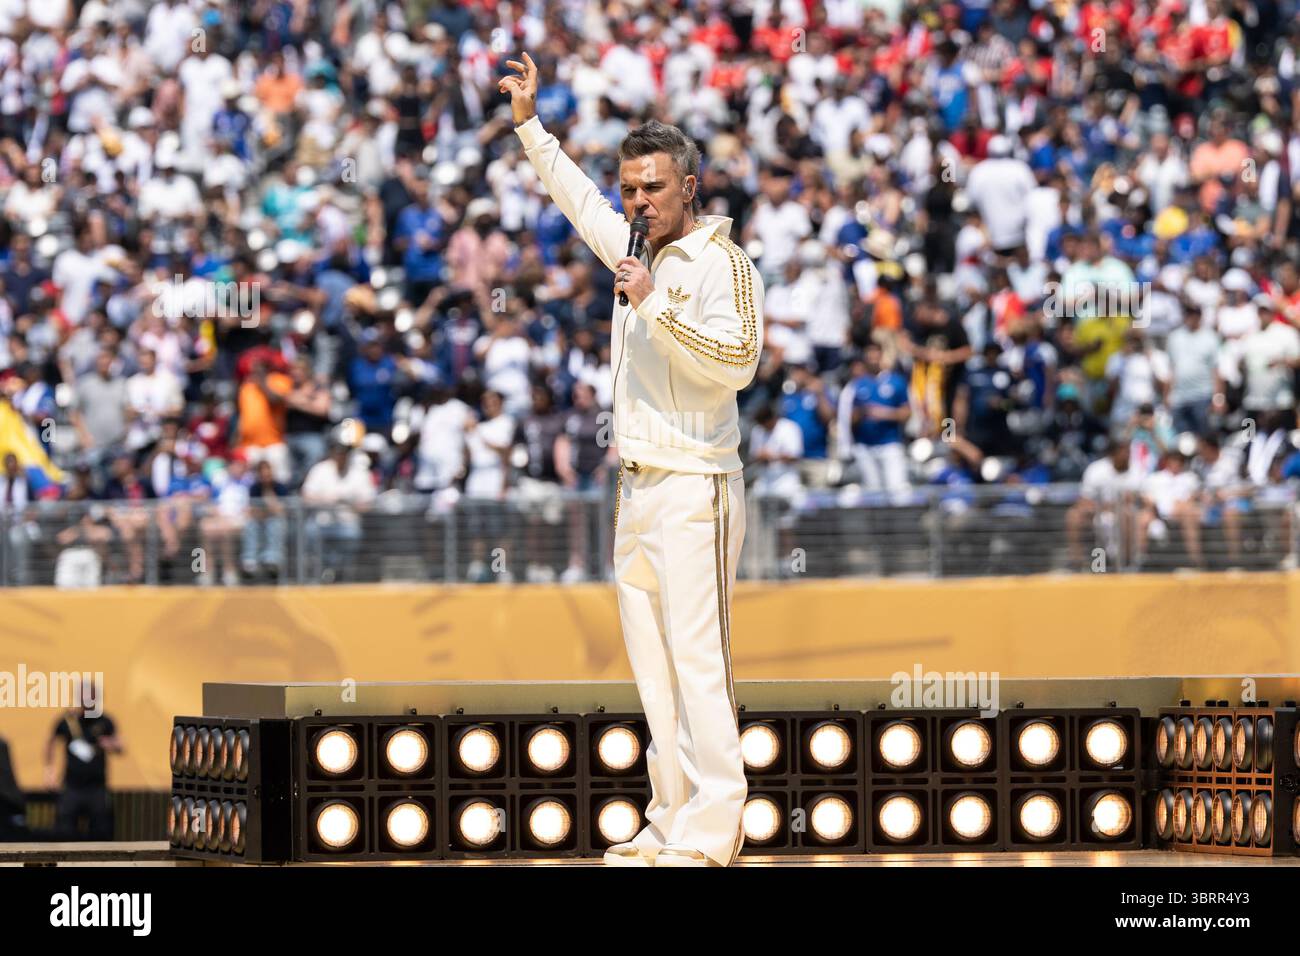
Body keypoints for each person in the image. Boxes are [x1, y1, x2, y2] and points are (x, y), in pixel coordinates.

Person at [502, 52, 765, 867]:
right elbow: (575, 198)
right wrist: (529, 127)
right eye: (631, 189)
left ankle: (715, 831)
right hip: (636, 488)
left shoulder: (721, 264)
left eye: (653, 186)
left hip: (697, 485)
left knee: (700, 664)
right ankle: (668, 820)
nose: (637, 201)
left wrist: (650, 306)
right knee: (655, 675)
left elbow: (738, 364)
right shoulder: (630, 248)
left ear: (691, 185)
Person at [45, 704, 123, 841]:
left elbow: (120, 746)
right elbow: (51, 743)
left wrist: (110, 744)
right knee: (65, 829)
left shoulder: (105, 721)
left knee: (101, 829)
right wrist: (49, 771)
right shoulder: (69, 721)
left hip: (97, 786)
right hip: (71, 785)